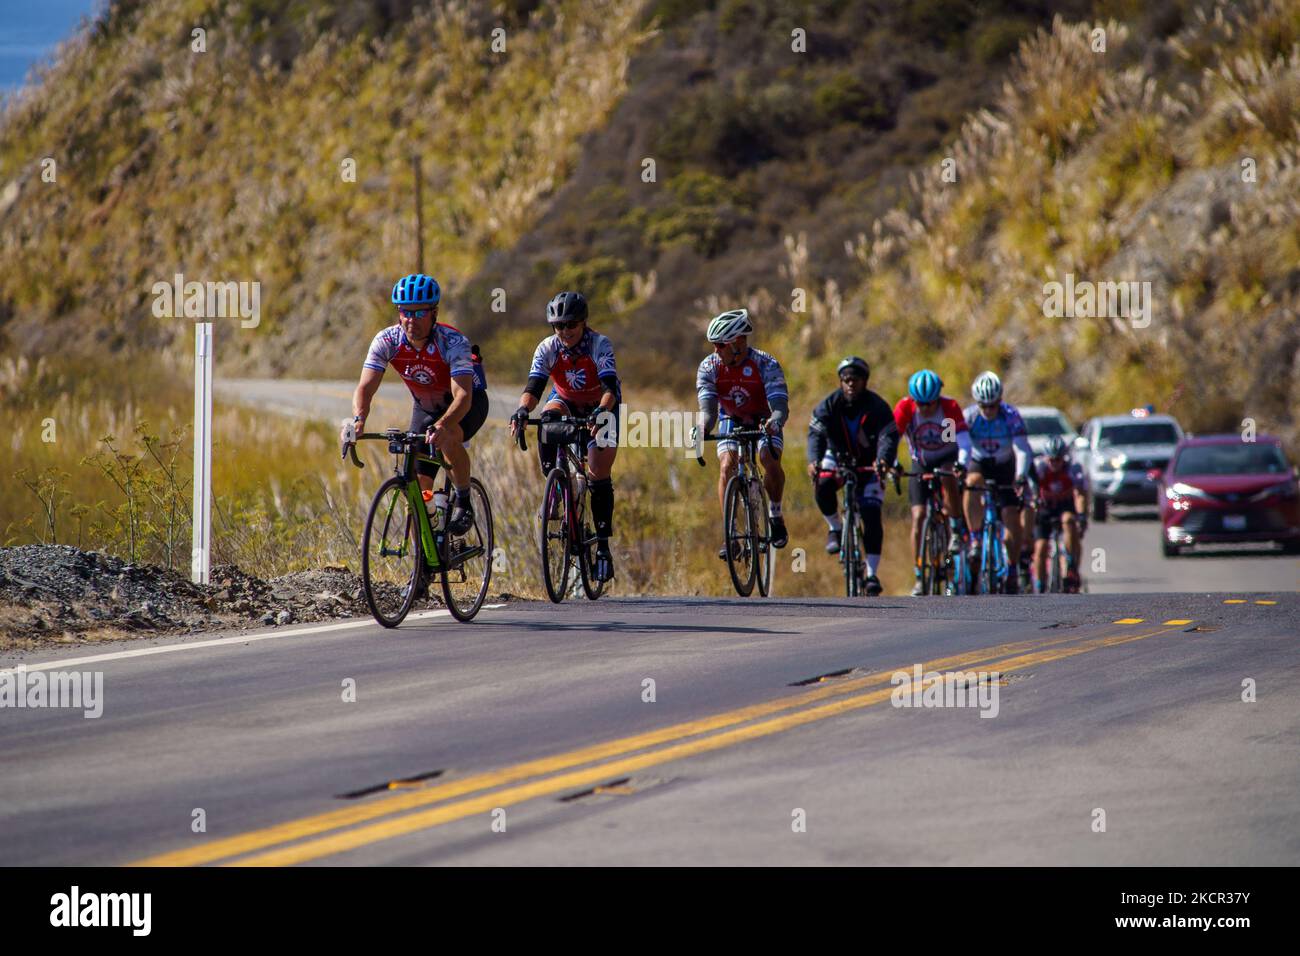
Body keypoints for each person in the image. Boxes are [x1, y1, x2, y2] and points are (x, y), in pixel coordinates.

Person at [342, 273, 489, 595]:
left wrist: (444, 424)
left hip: (465, 404)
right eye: (405, 311)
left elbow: (463, 395)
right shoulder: (387, 340)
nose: (412, 319)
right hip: (425, 407)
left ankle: (463, 499)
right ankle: (424, 565)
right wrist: (358, 419)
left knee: (448, 438)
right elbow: (365, 386)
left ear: (434, 313)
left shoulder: (453, 342)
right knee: (418, 490)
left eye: (420, 312)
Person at [508, 291, 620, 582]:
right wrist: (521, 410)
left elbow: (611, 389)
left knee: (597, 473)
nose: (565, 331)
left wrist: (600, 413)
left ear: (583, 323)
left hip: (602, 404)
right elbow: (534, 387)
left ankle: (603, 548)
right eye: (559, 326)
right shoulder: (548, 347)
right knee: (547, 419)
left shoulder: (599, 344)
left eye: (571, 324)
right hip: (566, 399)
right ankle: (555, 482)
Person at [696, 308, 790, 556]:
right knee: (727, 465)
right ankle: (731, 533)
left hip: (763, 418)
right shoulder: (709, 366)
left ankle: (776, 514)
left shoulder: (765, 363)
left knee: (768, 459)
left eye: (720, 345)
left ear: (738, 343)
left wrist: (775, 421)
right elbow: (709, 410)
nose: (715, 350)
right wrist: (703, 427)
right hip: (731, 417)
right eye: (714, 345)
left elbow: (779, 406)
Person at [807, 356, 900, 597]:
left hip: (869, 464)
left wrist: (883, 461)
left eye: (855, 380)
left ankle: (871, 574)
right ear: (840, 382)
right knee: (823, 483)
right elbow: (815, 434)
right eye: (845, 380)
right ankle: (835, 529)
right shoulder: (829, 404)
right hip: (836, 457)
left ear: (864, 381)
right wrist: (813, 461)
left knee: (870, 514)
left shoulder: (878, 406)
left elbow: (888, 437)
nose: (850, 384)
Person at [894, 369, 971, 596]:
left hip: (947, 457)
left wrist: (962, 463)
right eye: (921, 404)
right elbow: (890, 440)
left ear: (938, 398)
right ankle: (919, 574)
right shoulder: (905, 408)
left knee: (947, 475)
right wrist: (893, 463)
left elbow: (964, 441)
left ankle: (955, 529)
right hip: (921, 462)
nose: (926, 409)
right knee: (918, 517)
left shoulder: (949, 408)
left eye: (930, 404)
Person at [962, 370, 1033, 594]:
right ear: (977, 403)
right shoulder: (969, 417)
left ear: (1000, 401)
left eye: (993, 405)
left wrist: (1021, 475)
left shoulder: (1011, 415)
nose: (989, 410)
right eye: (984, 406)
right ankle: (975, 539)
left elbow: (1023, 449)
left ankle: (1012, 569)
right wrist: (959, 467)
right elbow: (960, 446)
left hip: (1005, 465)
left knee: (1011, 516)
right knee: (972, 482)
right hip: (979, 461)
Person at [1031, 436, 1089, 593]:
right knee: (1041, 548)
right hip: (1045, 508)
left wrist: (1082, 516)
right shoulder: (1038, 467)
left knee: (1069, 520)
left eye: (1058, 460)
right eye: (1052, 460)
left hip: (1065, 506)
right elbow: (1030, 492)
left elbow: (1080, 494)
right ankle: (1040, 584)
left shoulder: (1073, 467)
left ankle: (1071, 565)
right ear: (1046, 457)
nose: (1055, 463)